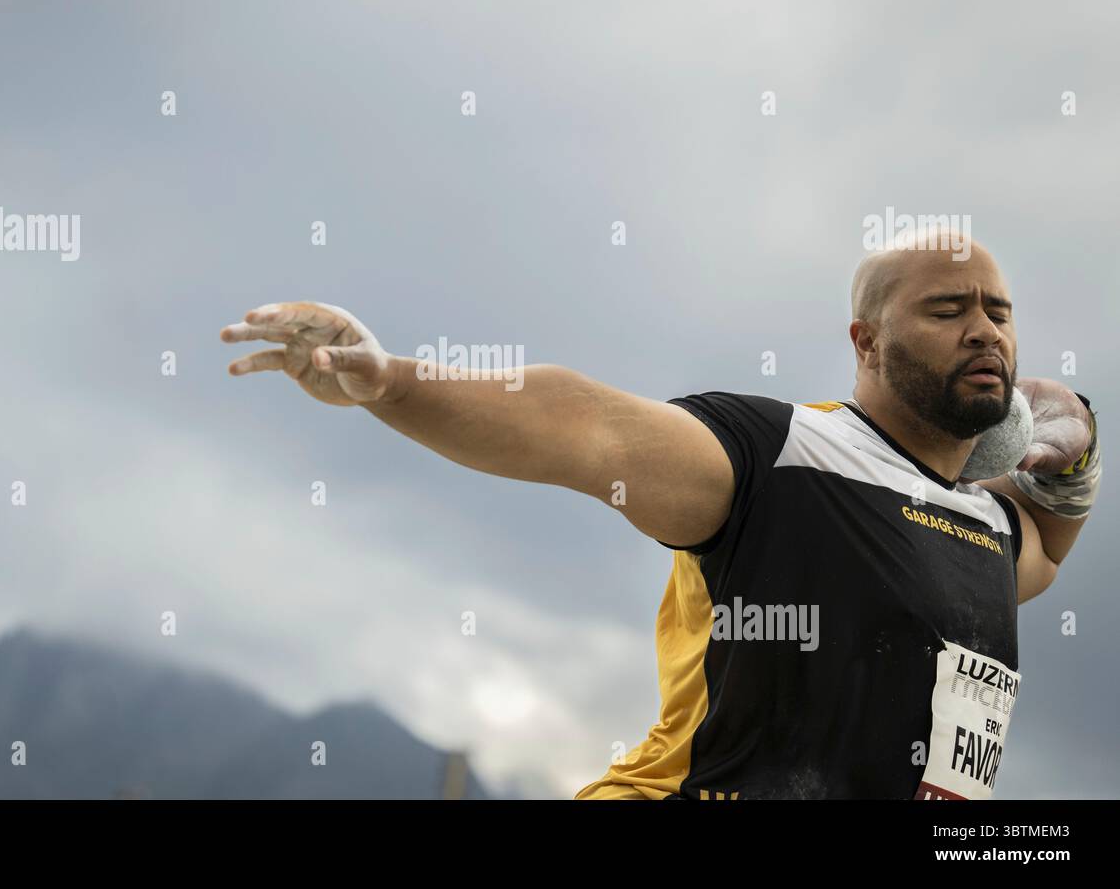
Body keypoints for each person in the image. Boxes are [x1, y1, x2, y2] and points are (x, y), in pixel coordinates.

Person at [218, 231, 1100, 799]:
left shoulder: (984, 533)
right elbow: (581, 425)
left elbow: (1048, 542)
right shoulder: (780, 454)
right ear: (865, 343)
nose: (985, 329)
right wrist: (391, 382)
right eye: (948, 310)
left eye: (999, 312)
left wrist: (1080, 436)